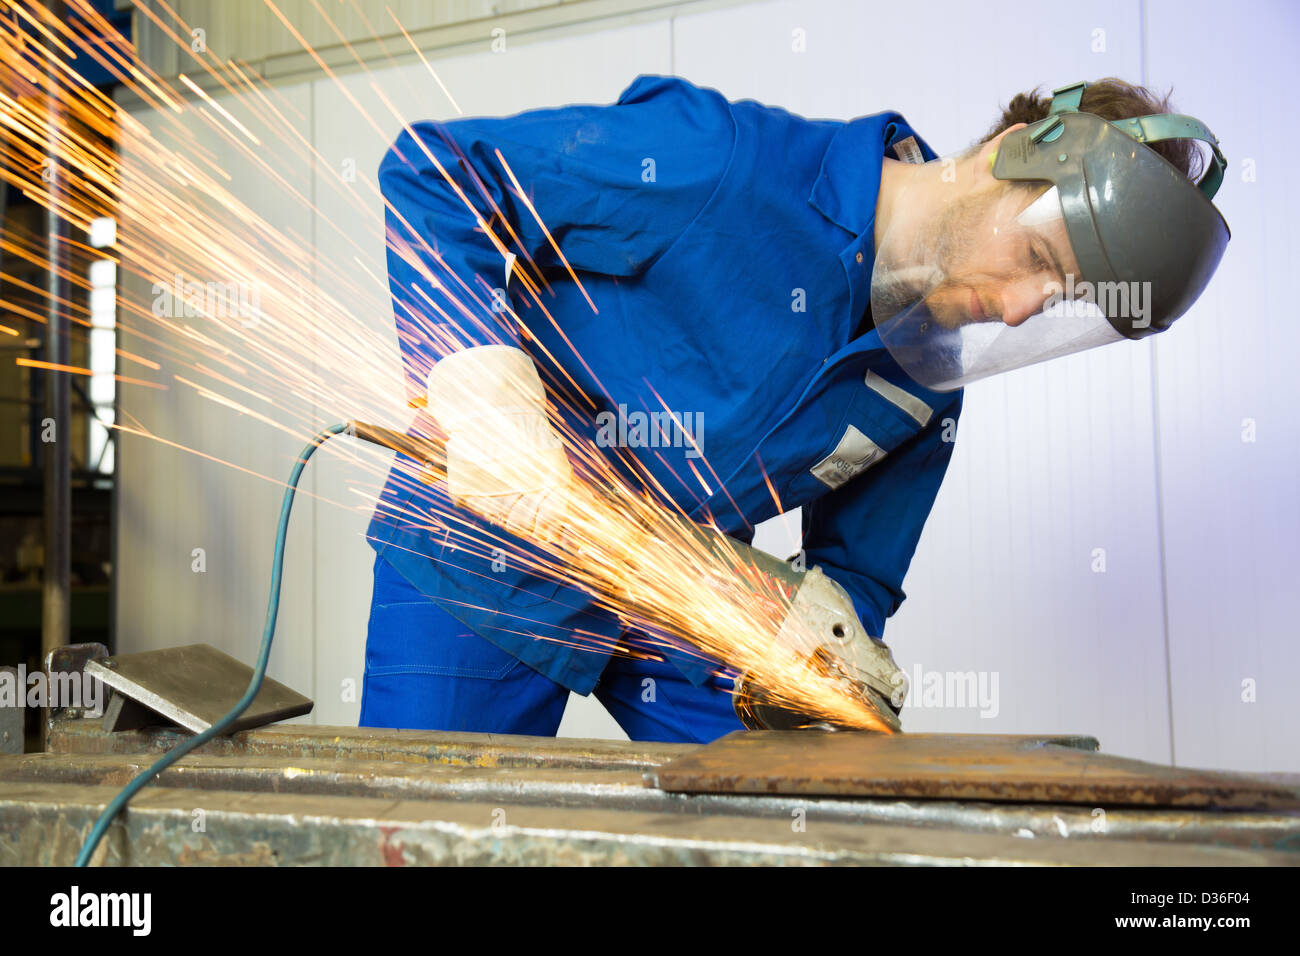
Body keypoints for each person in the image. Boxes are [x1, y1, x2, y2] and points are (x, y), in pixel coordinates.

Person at [360, 76, 1228, 742]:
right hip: (488, 548)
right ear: (1008, 150)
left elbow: (855, 584)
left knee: (808, 817)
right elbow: (437, 171)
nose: (1017, 309)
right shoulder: (724, 163)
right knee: (426, 825)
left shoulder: (927, 380)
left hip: (679, 597)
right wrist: (480, 394)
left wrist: (823, 652)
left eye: (1059, 296)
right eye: (1037, 255)